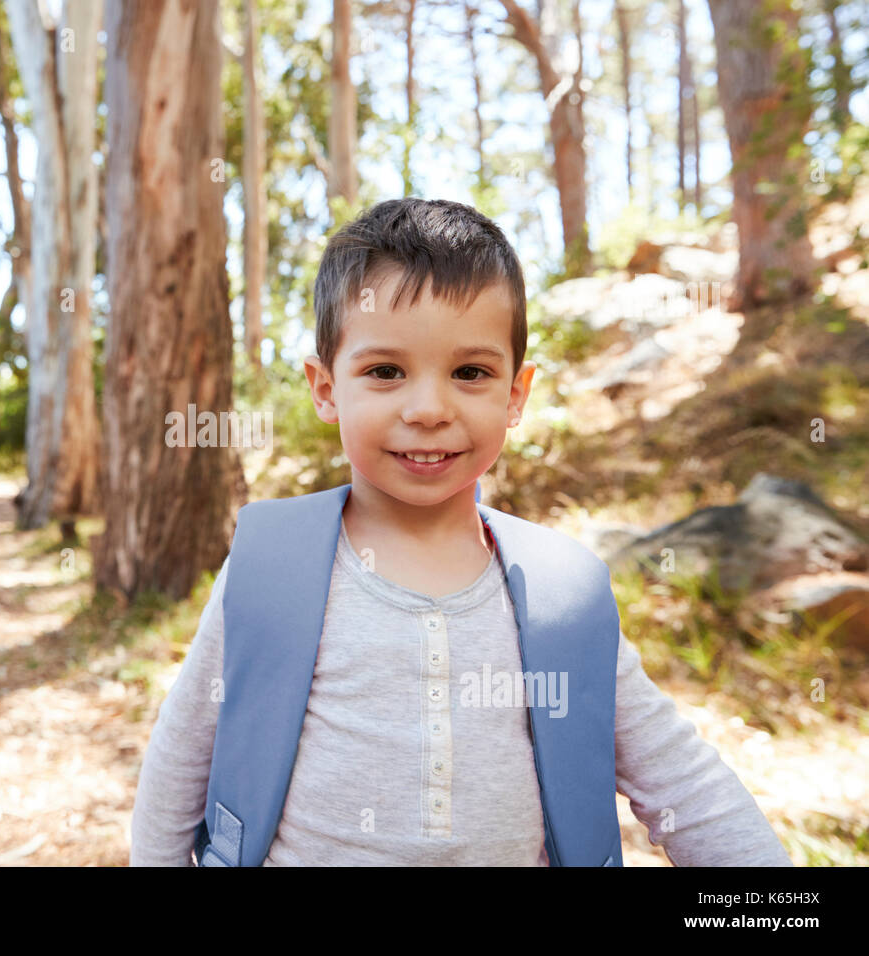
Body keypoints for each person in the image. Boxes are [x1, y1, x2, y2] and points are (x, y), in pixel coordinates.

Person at [130, 198, 792, 866]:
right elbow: (180, 760)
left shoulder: (563, 593)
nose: (427, 409)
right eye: (385, 371)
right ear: (326, 388)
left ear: (515, 394)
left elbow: (681, 782)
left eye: (470, 373)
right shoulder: (271, 566)